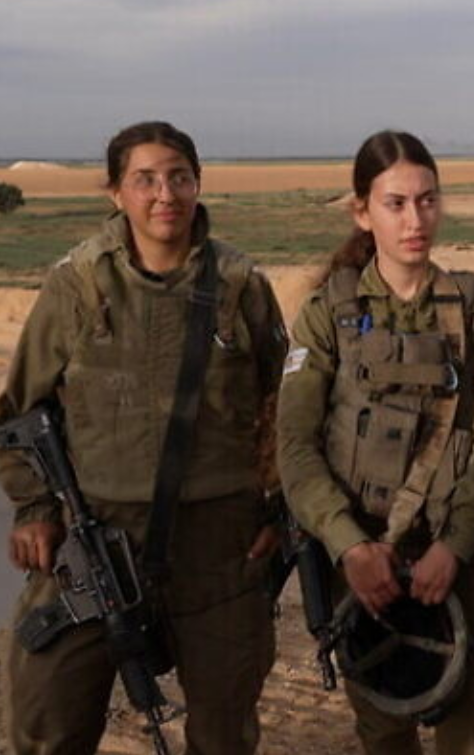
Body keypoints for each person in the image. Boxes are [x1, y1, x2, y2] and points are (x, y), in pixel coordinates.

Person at [0, 121, 286, 754]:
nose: (166, 194)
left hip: (219, 545)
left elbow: (283, 409)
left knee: (223, 732)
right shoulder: (76, 285)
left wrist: (280, 509)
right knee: (45, 720)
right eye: (145, 179)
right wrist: (35, 508)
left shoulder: (242, 286)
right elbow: (20, 409)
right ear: (115, 192)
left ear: (198, 184)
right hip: (93, 535)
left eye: (179, 176)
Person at [276, 130, 474, 754]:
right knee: (386, 729)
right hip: (366, 564)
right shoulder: (328, 313)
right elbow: (295, 445)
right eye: (395, 203)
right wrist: (349, 545)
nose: (415, 220)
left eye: (427, 200)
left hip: (456, 557)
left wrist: (457, 546)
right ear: (362, 211)